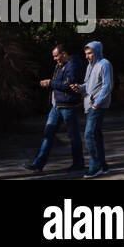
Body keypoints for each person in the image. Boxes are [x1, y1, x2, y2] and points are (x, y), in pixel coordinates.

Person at [24, 44, 86, 174]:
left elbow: (69, 85)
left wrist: (50, 83)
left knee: (73, 136)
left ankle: (78, 163)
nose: (54, 58)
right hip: (56, 106)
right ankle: (38, 164)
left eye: (56, 56)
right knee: (48, 134)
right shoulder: (59, 65)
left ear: (64, 54)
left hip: (68, 107)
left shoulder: (72, 65)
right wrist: (50, 84)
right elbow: (59, 83)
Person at [72, 40, 112, 178]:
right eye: (86, 53)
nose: (87, 56)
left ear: (97, 52)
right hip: (89, 105)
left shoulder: (104, 64)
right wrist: (79, 88)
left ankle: (95, 167)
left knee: (89, 135)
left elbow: (107, 86)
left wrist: (98, 103)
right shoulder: (90, 66)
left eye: (90, 53)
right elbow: (88, 84)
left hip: (97, 106)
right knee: (96, 136)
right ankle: (103, 166)